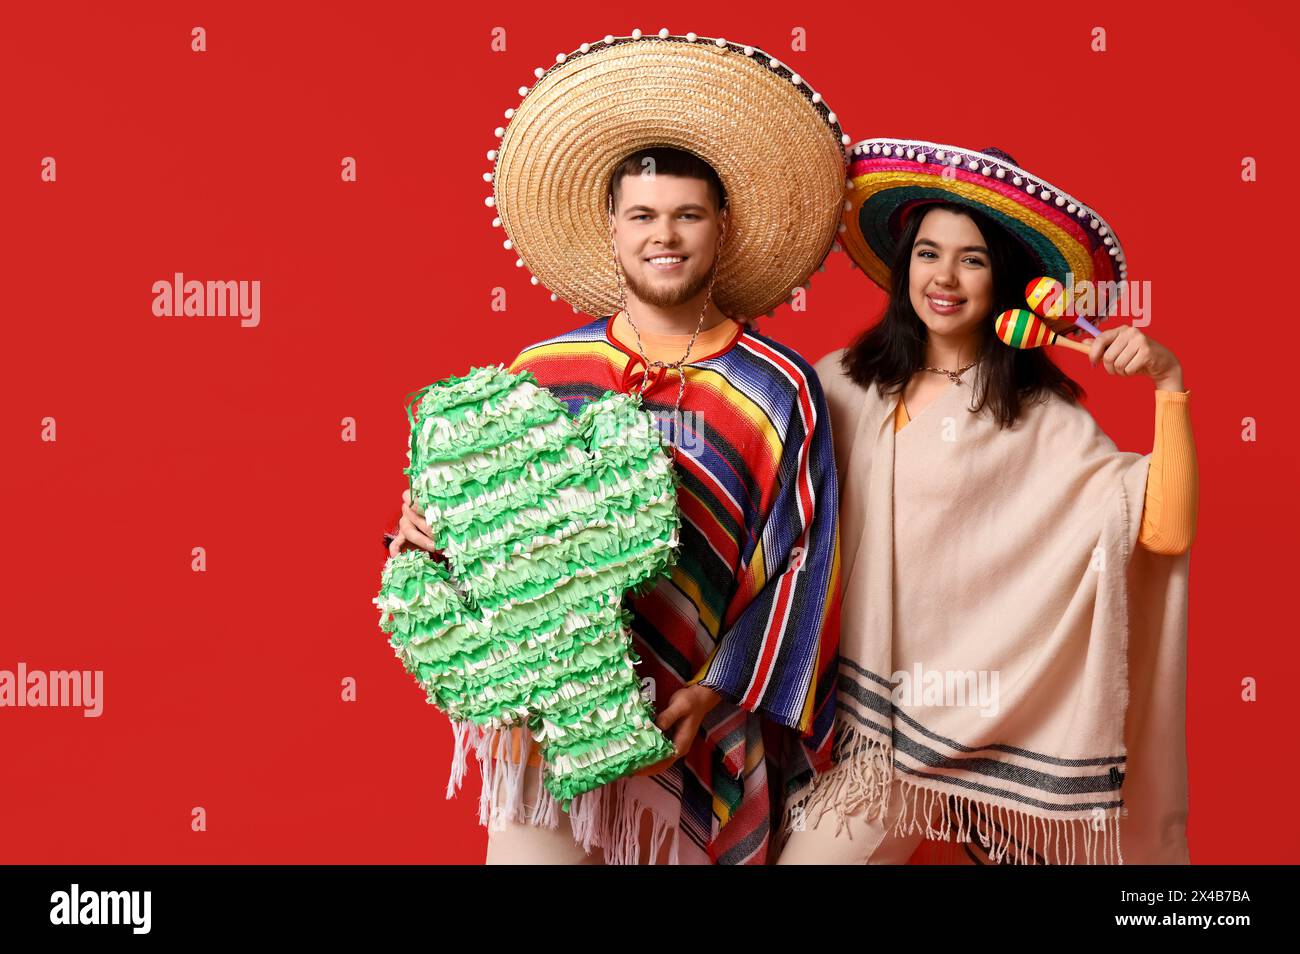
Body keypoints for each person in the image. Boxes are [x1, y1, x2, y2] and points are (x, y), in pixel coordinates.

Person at [388, 32, 849, 864]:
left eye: (686, 214)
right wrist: (429, 533)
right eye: (642, 215)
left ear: (721, 224)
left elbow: (806, 564)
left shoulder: (778, 387)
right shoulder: (542, 371)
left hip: (692, 723)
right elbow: (488, 531)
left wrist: (713, 692)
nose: (662, 234)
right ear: (612, 227)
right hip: (543, 724)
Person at [778, 140, 1196, 865]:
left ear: (1006, 281)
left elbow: (1160, 529)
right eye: (928, 253)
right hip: (803, 712)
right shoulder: (841, 382)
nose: (944, 277)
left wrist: (1169, 384)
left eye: (972, 259)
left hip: (908, 742)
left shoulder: (1042, 423)